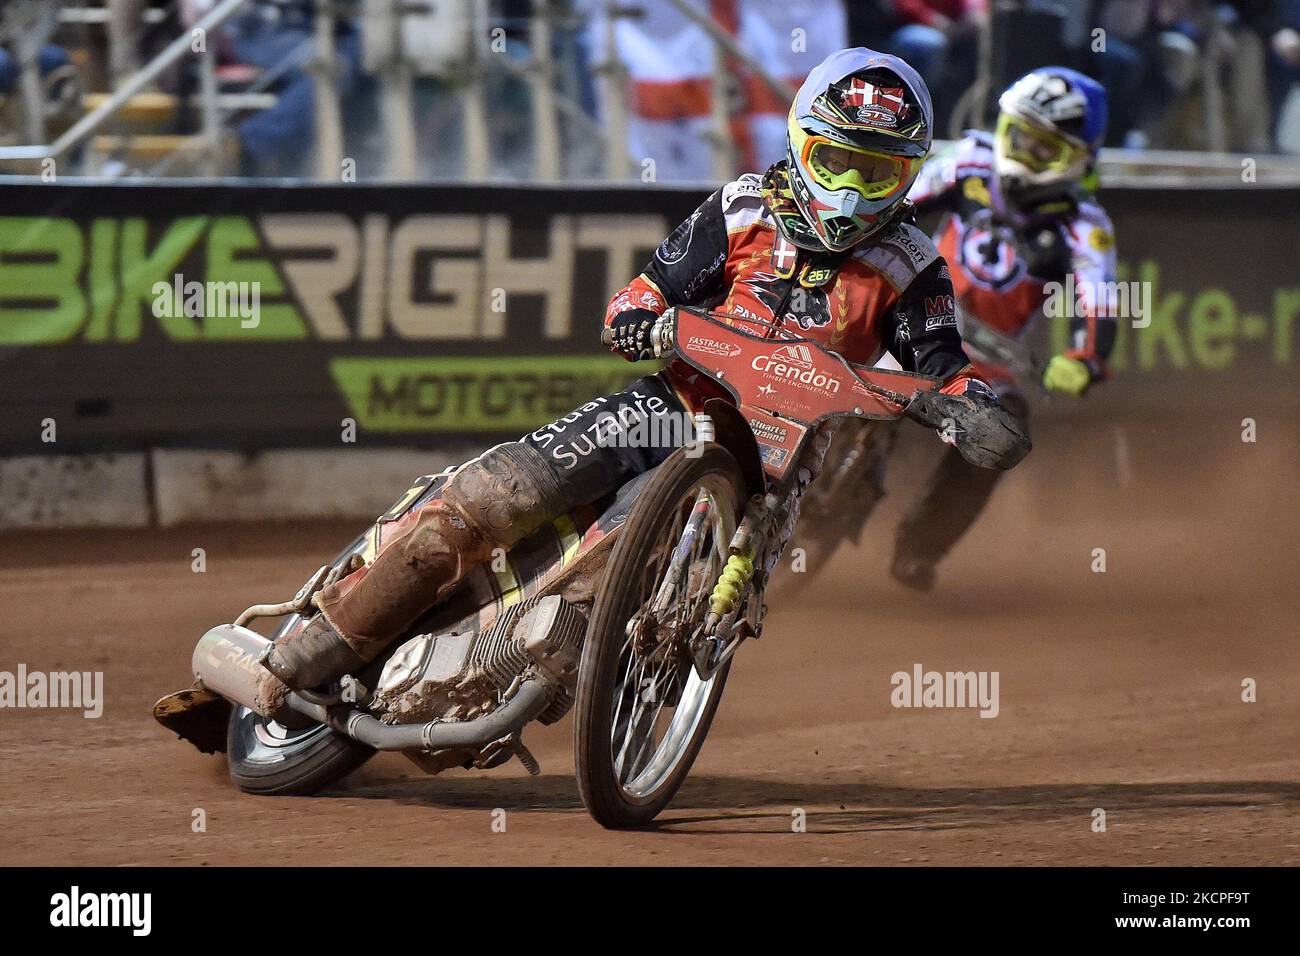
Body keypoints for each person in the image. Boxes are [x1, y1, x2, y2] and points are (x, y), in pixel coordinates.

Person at [261, 48, 1021, 693]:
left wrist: (970, 406)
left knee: (675, 591)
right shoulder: (742, 208)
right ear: (801, 143)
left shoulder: (914, 264)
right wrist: (637, 316)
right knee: (492, 498)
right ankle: (305, 656)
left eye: (878, 172)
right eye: (839, 162)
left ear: (911, 175)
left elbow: (942, 361)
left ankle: (575, 679)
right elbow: (648, 289)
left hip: (783, 453)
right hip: (669, 403)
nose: (853, 191)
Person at [878, 66, 1117, 591]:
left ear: (1077, 160)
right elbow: (891, 205)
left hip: (984, 357)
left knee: (1007, 423)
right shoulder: (969, 159)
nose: (1025, 157)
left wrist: (1085, 360)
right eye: (1020, 138)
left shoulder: (1084, 225)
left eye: (1044, 149)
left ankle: (920, 547)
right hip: (907, 311)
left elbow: (1099, 305)